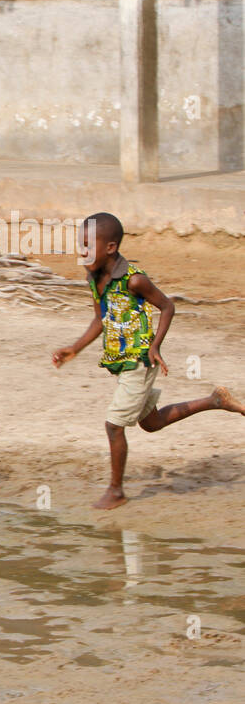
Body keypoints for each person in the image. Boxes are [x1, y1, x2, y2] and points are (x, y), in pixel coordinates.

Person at [52, 212, 243, 509]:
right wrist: (73, 349)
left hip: (140, 361)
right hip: (122, 362)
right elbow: (100, 320)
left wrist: (155, 346)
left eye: (88, 244)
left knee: (114, 425)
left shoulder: (135, 280)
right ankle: (215, 401)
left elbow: (168, 306)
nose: (81, 250)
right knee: (151, 423)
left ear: (111, 248)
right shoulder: (94, 278)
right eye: (80, 243)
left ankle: (116, 491)